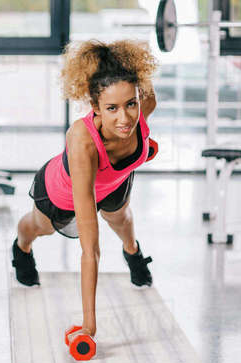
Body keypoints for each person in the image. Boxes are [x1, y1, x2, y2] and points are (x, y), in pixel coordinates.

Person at [12, 39, 158, 343]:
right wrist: (89, 325)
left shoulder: (144, 105)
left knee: (121, 219)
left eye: (131, 104)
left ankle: (133, 254)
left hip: (114, 181)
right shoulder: (83, 143)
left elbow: (144, 84)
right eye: (112, 108)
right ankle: (21, 249)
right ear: (95, 107)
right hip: (63, 191)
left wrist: (124, 61)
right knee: (40, 228)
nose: (125, 119)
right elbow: (89, 250)